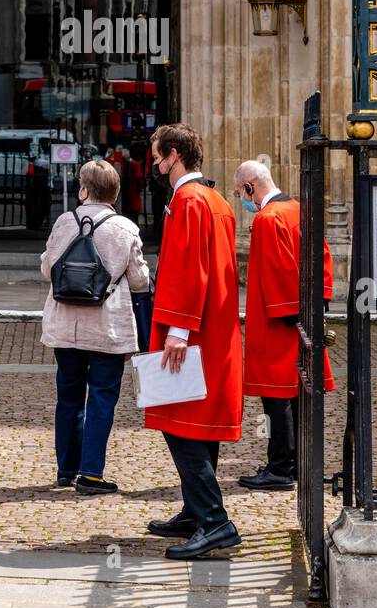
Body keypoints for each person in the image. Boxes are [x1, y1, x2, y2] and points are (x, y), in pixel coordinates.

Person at [144, 123, 243, 560]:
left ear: (173, 155)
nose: (153, 165)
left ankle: (215, 520)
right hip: (214, 330)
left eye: (156, 156)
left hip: (191, 331)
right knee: (198, 426)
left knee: (179, 425)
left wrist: (178, 330)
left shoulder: (188, 200)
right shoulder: (216, 199)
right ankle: (194, 510)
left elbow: (189, 267)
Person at [40, 159, 149, 494]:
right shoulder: (125, 228)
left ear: (85, 189)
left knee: (68, 397)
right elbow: (140, 279)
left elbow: (47, 269)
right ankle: (91, 473)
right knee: (101, 398)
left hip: (67, 326)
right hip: (108, 328)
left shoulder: (64, 222)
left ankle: (66, 468)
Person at [236, 160, 334, 491]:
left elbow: (277, 272)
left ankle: (280, 467)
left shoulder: (268, 218)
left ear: (250, 187)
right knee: (296, 394)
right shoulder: (298, 209)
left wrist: (288, 314)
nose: (242, 200)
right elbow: (323, 258)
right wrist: (318, 307)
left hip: (277, 323)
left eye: (240, 192)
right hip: (303, 316)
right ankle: (296, 462)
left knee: (275, 397)